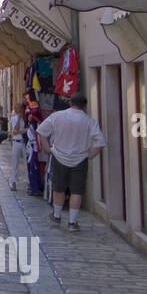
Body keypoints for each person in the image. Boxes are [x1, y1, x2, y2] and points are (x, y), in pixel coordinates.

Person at [37, 92, 106, 231]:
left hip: (59, 156)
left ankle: (56, 216)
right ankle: (72, 223)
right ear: (84, 106)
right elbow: (100, 142)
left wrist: (48, 148)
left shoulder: (57, 116)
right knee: (77, 190)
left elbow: (41, 131)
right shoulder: (89, 121)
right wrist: (90, 155)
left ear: (70, 103)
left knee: (59, 187)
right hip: (80, 158)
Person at [9, 105, 29, 191]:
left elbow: (28, 129)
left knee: (27, 163)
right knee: (15, 163)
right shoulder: (14, 119)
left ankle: (29, 182)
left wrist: (22, 131)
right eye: (16, 109)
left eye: (19, 109)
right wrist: (19, 120)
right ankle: (13, 182)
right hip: (16, 142)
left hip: (24, 143)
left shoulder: (26, 119)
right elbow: (15, 131)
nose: (18, 110)